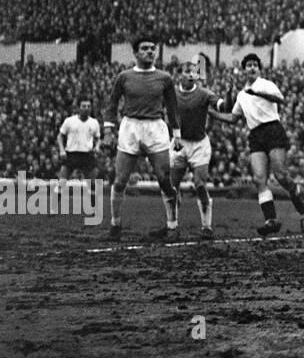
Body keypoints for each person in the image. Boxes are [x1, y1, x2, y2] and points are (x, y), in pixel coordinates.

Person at [211, 54, 304, 237]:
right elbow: (233, 118)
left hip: (272, 129)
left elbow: (280, 99)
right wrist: (212, 114)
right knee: (259, 179)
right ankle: (271, 219)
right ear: (244, 69)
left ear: (259, 68)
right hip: (255, 134)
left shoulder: (266, 84)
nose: (252, 68)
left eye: (255, 65)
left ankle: (303, 208)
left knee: (281, 175)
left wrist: (257, 93)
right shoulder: (241, 94)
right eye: (248, 65)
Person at [104, 36, 181, 241]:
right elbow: (111, 105)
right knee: (120, 181)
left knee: (164, 179)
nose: (149, 51)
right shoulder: (124, 76)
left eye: (152, 48)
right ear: (136, 53)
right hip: (130, 127)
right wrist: (108, 131)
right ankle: (115, 224)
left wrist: (177, 134)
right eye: (145, 48)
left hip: (155, 127)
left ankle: (172, 225)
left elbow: (172, 108)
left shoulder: (164, 78)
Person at [169, 55, 219, 239]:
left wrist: (228, 96)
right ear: (180, 75)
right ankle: (172, 225)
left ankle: (207, 227)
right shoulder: (172, 93)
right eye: (187, 72)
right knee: (172, 187)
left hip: (199, 144)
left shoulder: (205, 93)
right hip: (179, 143)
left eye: (194, 72)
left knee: (199, 185)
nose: (191, 75)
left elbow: (221, 105)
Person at [57, 97, 101, 182]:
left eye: (88, 106)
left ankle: (91, 193)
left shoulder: (94, 122)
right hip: (71, 153)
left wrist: (97, 146)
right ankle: (57, 194)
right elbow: (59, 136)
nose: (86, 108)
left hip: (87, 154)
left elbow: (98, 138)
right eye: (83, 106)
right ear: (78, 108)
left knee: (92, 180)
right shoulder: (69, 121)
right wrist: (61, 150)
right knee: (62, 182)